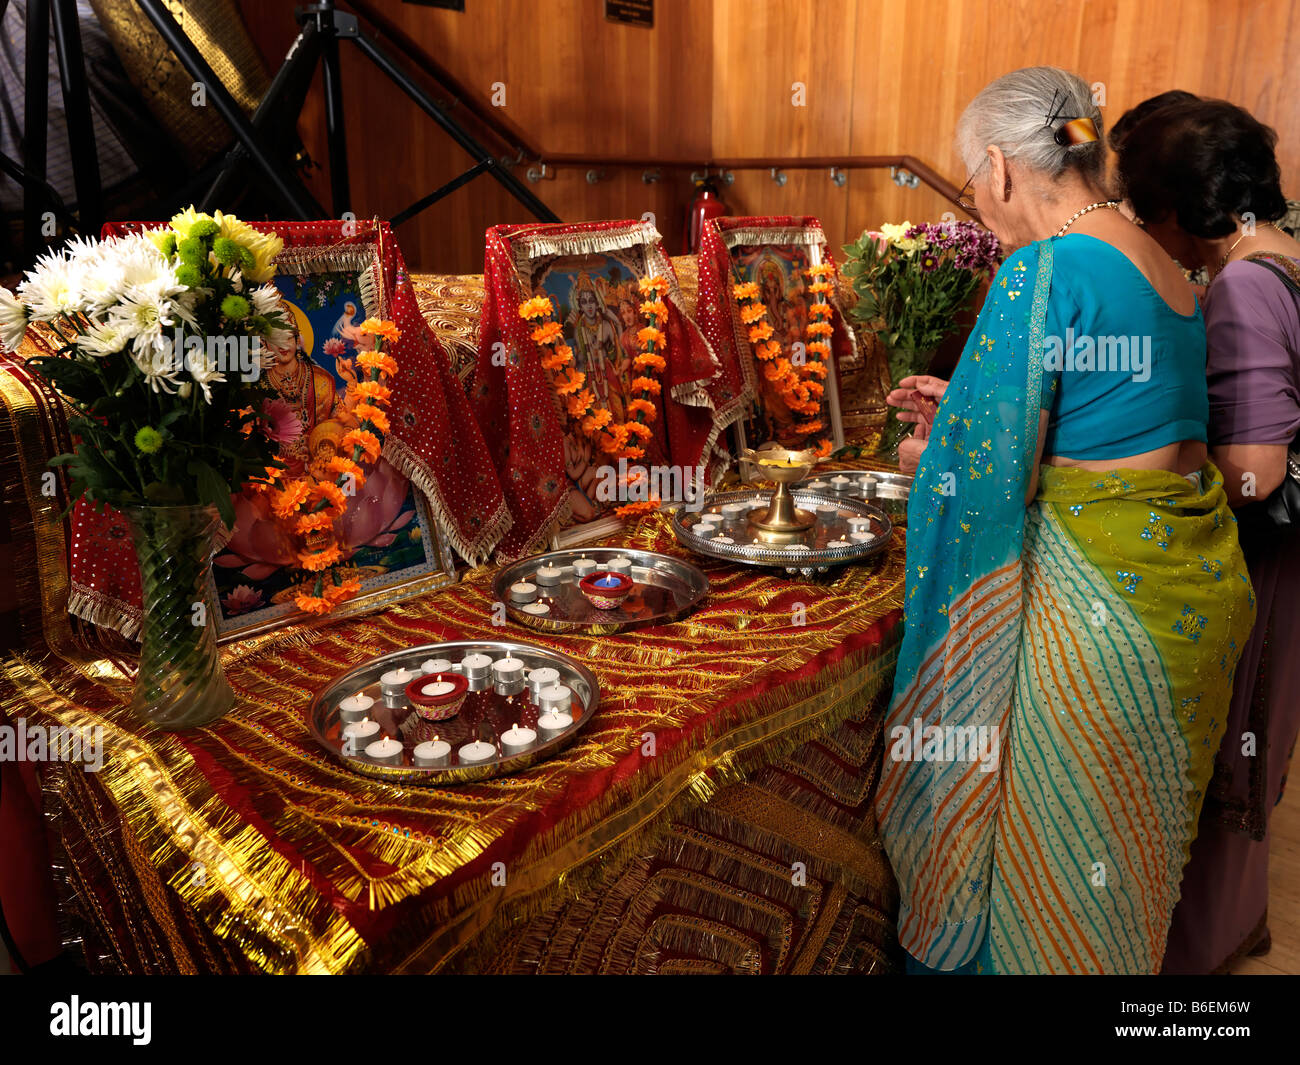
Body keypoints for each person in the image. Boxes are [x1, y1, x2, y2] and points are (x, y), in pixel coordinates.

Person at [876, 66, 1254, 975]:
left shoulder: (1039, 272)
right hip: (1185, 604)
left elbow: (988, 486)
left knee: (1039, 894)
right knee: (1112, 885)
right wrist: (967, 407)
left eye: (973, 186)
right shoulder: (1169, 262)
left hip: (1097, 629)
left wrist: (931, 459)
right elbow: (1116, 424)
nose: (978, 208)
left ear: (1002, 168)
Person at [1117, 99, 1300, 973]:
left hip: (1263, 562)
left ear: (1187, 209)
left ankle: (1192, 961)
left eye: (1150, 214)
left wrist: (1160, 467)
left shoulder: (1243, 288)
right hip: (1287, 563)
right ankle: (1238, 924)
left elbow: (1257, 468)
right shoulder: (1288, 258)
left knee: (1233, 740)